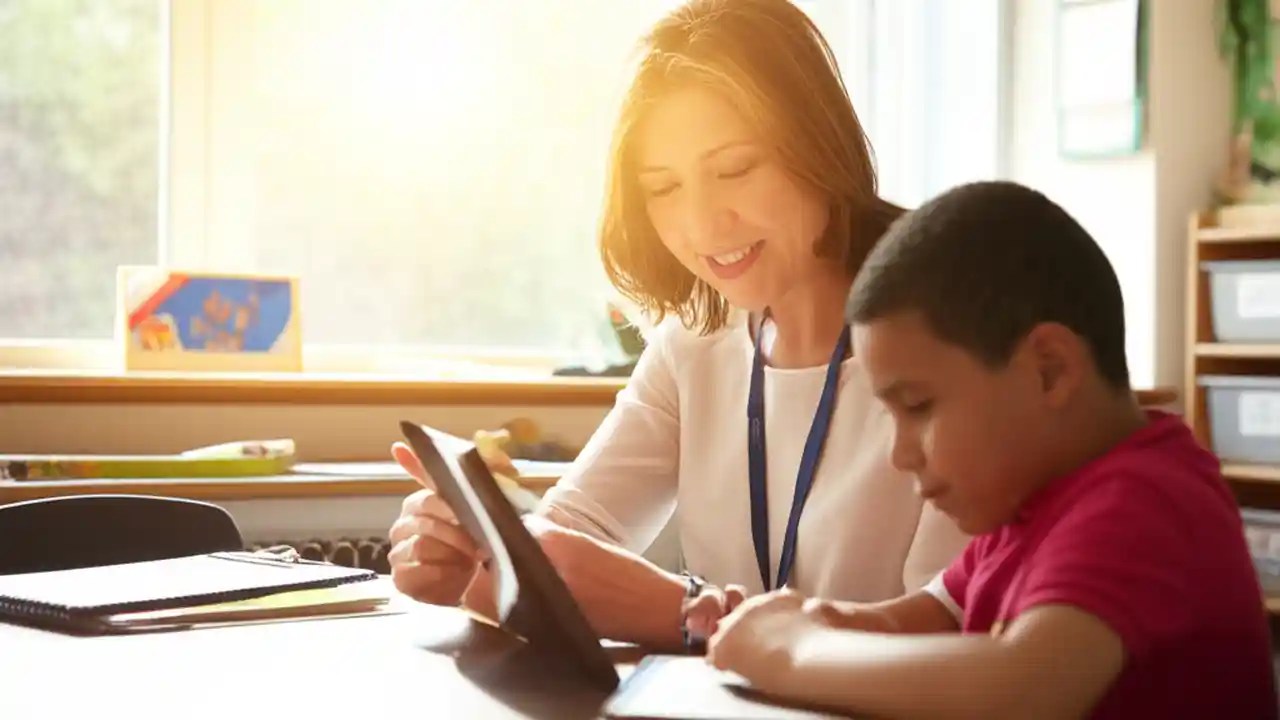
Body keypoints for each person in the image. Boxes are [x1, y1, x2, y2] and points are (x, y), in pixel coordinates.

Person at [387, 0, 966, 650]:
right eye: (663, 187)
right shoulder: (698, 340)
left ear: (818, 142)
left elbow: (956, 637)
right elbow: (569, 537)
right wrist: (467, 556)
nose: (701, 225)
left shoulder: (953, 329)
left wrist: (689, 613)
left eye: (735, 169)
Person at [706, 181, 1277, 719]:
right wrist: (808, 619)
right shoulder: (1032, 507)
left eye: (919, 407)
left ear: (1049, 371)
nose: (900, 456)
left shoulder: (1144, 504)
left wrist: (794, 652)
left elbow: (1024, 687)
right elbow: (931, 617)